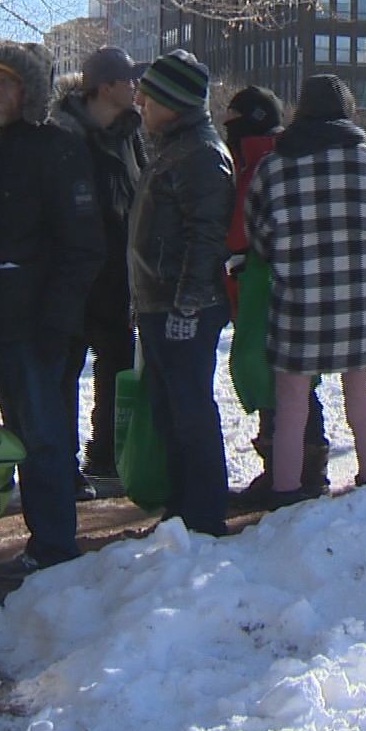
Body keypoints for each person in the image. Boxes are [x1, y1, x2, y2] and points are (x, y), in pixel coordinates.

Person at [0, 40, 105, 575]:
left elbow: (82, 242)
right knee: (24, 430)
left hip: (37, 321)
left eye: (8, 83)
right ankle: (45, 541)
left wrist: (57, 317)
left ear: (30, 91)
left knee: (45, 435)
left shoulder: (56, 148)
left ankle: (56, 547)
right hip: (1, 319)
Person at [245, 75, 366, 506]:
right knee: (360, 397)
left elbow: (259, 238)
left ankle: (286, 490)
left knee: (291, 405)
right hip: (358, 307)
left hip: (296, 307)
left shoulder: (273, 167)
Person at [127, 49, 233, 536]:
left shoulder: (199, 153)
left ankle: (204, 512)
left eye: (149, 95)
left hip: (182, 304)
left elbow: (206, 235)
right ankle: (182, 506)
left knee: (190, 409)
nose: (140, 102)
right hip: (159, 301)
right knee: (170, 408)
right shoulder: (173, 146)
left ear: (174, 100)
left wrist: (188, 303)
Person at [222, 87, 332, 502]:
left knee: (277, 376)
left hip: (263, 281)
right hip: (288, 280)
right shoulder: (287, 158)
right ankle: (299, 467)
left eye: (232, 115)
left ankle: (292, 470)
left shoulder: (259, 163)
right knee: (292, 377)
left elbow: (239, 230)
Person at [50, 46, 145, 491]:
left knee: (117, 363)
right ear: (105, 87)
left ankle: (105, 456)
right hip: (71, 276)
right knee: (64, 371)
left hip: (117, 277)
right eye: (128, 81)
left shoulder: (130, 133)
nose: (135, 88)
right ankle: (62, 466)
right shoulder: (62, 136)